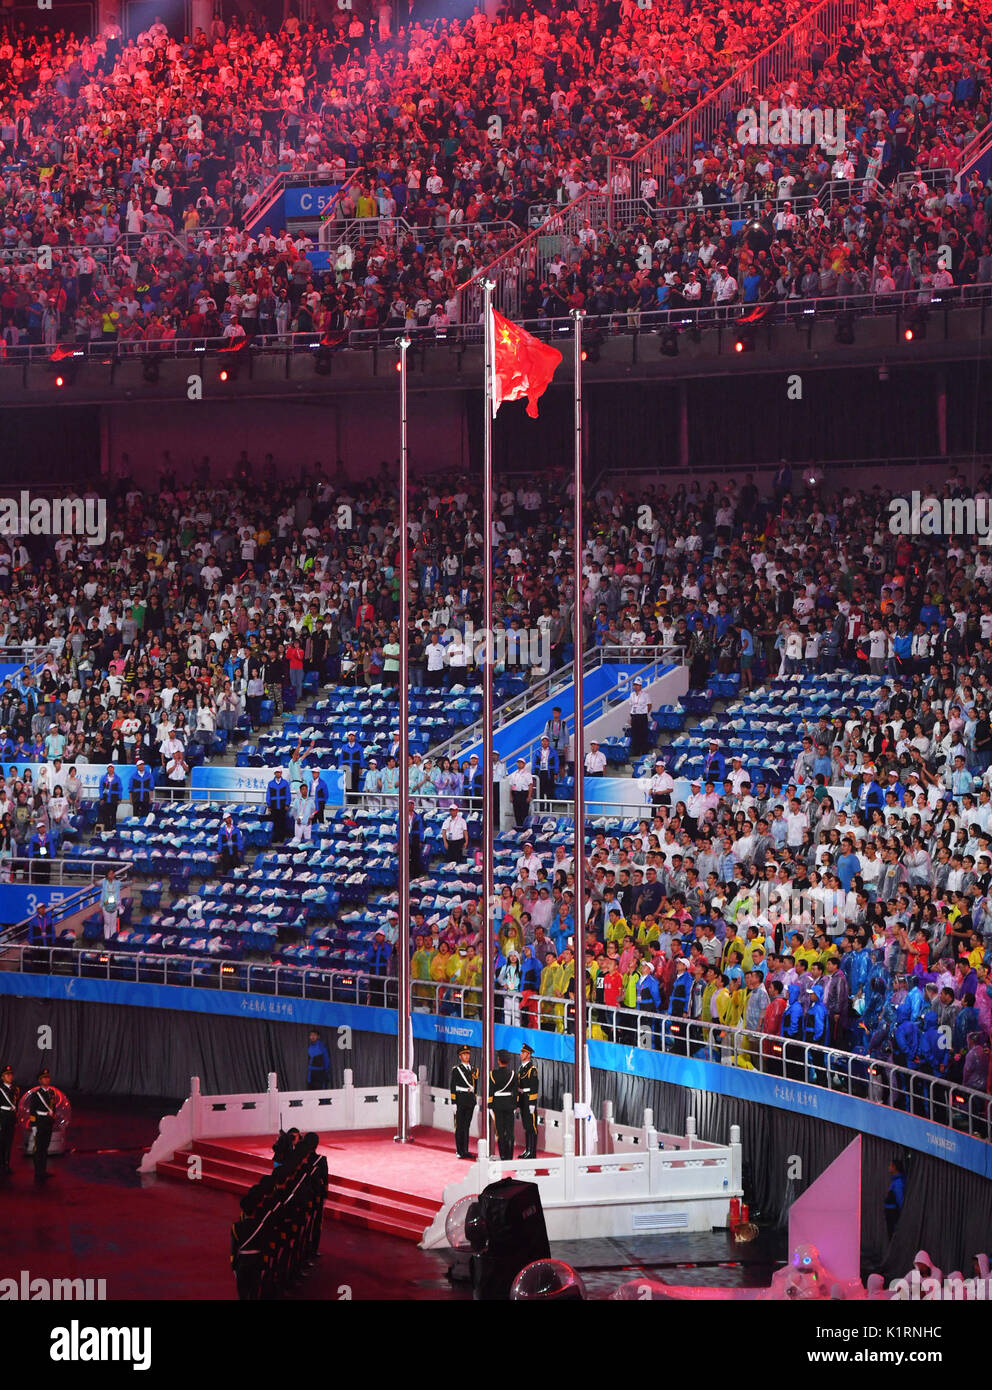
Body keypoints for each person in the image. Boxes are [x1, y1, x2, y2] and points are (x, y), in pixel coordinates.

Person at [28, 1068, 57, 1184]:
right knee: (39, 1148)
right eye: (44, 1077)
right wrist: (34, 1125)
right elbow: (32, 1111)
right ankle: (38, 1172)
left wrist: (53, 1116)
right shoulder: (36, 1094)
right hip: (40, 1121)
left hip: (48, 1122)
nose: (47, 1079)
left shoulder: (51, 1093)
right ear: (40, 1080)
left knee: (45, 1147)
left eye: (48, 1077)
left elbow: (53, 1107)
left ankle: (43, 1170)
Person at [449, 1044, 477, 1160]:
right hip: (460, 1100)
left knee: (466, 1126)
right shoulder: (457, 1070)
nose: (467, 1056)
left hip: (470, 1100)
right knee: (459, 1126)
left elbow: (475, 1086)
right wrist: (454, 1102)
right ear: (460, 1056)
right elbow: (453, 1086)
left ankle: (465, 1150)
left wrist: (474, 1099)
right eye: (464, 1054)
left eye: (468, 1054)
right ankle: (459, 1150)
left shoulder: (474, 1069)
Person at [489, 1049, 517, 1161]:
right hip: (510, 1105)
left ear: (498, 1060)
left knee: (500, 1132)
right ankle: (509, 1157)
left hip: (498, 1105)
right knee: (510, 1132)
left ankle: (503, 1156)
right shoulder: (513, 1074)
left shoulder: (493, 1074)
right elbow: (515, 1093)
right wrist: (515, 1105)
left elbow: (490, 1092)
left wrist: (489, 1106)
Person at [517, 1043, 539, 1159]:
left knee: (532, 1127)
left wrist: (532, 1103)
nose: (521, 1054)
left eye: (523, 1052)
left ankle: (532, 1152)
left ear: (528, 1054)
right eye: (521, 1052)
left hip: (529, 1100)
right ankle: (527, 1149)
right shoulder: (521, 1068)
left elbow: (534, 1087)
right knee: (526, 1126)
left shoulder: (532, 1069)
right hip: (522, 1100)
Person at [0, 1063, 19, 1175]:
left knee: (9, 1142)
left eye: (11, 1074)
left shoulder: (15, 1089)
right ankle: (1, 1164)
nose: (10, 1076)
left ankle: (6, 1164)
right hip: (2, 1117)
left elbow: (15, 1106)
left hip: (11, 1117)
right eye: (7, 1075)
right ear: (2, 1077)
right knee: (1, 1142)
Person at [266, 767, 291, 843]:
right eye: (276, 772)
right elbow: (268, 795)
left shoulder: (285, 783)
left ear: (281, 773)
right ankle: (275, 838)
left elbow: (288, 794)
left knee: (282, 823)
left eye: (279, 772)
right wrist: (269, 805)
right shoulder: (270, 783)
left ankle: (281, 838)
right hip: (273, 806)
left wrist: (287, 804)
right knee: (274, 823)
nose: (278, 774)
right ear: (274, 773)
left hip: (282, 806)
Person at [628, 677, 652, 756]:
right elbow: (631, 706)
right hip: (634, 716)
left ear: (640, 686)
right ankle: (635, 751)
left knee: (643, 734)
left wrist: (645, 713)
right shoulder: (632, 695)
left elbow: (649, 705)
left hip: (642, 716)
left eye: (637, 685)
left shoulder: (645, 695)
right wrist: (632, 717)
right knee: (634, 734)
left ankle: (644, 751)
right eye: (635, 685)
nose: (636, 686)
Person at [508, 757, 534, 827]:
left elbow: (530, 785)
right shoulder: (514, 774)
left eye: (521, 763)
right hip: (516, 793)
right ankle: (518, 827)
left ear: (524, 764)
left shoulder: (527, 774)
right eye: (518, 762)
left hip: (523, 793)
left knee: (524, 812)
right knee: (517, 812)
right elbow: (511, 786)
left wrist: (529, 796)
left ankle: (524, 827)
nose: (519, 764)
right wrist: (510, 796)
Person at [884, 1158, 906, 1238]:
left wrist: (900, 1213)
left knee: (893, 1234)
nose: (889, 1167)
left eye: (890, 1165)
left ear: (895, 1167)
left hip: (893, 1213)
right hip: (890, 1212)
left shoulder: (898, 1182)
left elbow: (900, 1198)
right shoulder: (895, 1180)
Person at [98, 763, 122, 830]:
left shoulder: (117, 778)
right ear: (107, 769)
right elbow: (101, 788)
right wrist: (101, 798)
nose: (110, 769)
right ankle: (107, 829)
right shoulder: (103, 778)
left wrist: (119, 798)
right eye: (109, 768)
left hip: (114, 799)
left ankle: (113, 829)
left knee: (113, 815)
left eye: (112, 768)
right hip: (105, 799)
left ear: (113, 769)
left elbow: (120, 789)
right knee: (105, 815)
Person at [100, 867, 122, 940]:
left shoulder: (117, 883)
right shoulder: (104, 882)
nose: (111, 875)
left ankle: (113, 938)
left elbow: (118, 895)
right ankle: (107, 938)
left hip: (114, 905)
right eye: (110, 874)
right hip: (106, 905)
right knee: (107, 922)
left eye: (112, 873)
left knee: (113, 923)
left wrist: (118, 904)